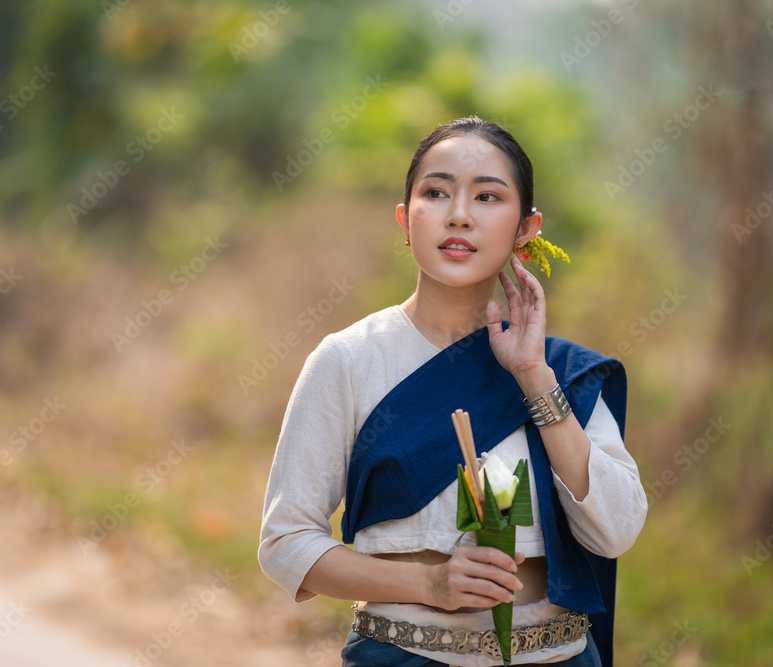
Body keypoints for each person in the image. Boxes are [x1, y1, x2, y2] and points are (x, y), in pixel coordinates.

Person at [259, 116, 647, 666]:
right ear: (405, 218)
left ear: (526, 228)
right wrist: (428, 583)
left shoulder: (564, 372)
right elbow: (286, 543)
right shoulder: (349, 360)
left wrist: (534, 377)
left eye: (488, 196)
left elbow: (617, 532)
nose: (459, 215)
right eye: (436, 192)